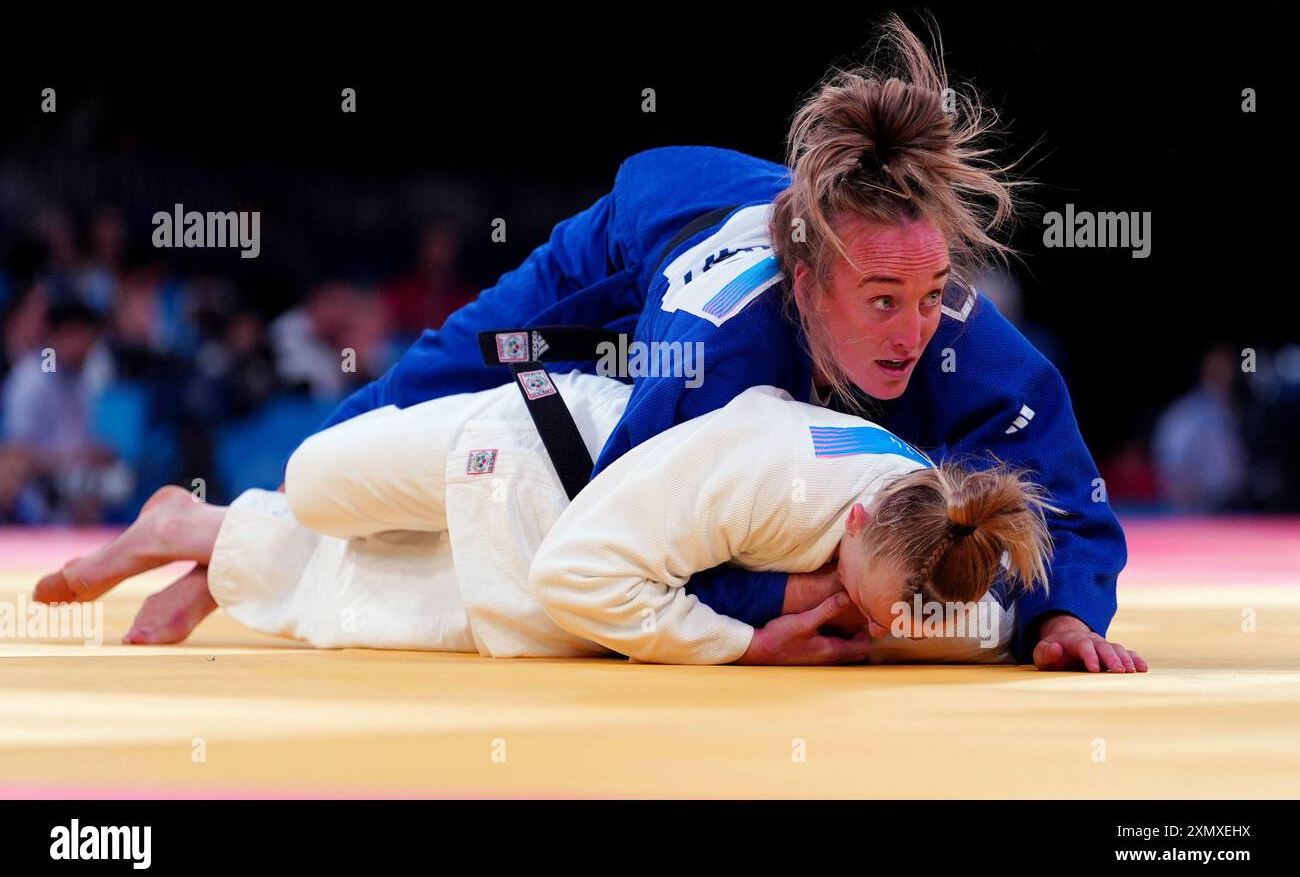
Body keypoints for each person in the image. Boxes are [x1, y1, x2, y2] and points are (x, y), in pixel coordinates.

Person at [247, 14, 1131, 672]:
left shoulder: (951, 328)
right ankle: (263, 513)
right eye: (883, 301)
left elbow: (1067, 495)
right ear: (807, 284)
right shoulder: (711, 350)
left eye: (932, 293)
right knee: (440, 373)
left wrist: (1063, 616)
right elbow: (614, 527)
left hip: (789, 227)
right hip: (644, 229)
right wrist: (768, 608)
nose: (915, 329)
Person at [36, 372, 1127, 669]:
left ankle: (198, 537)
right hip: (529, 454)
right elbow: (576, 574)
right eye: (861, 599)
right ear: (844, 524)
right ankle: (203, 529)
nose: (871, 625)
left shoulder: (930, 521)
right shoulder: (762, 482)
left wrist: (1052, 626)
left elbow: (977, 605)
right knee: (322, 484)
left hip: (574, 487)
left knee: (377, 609)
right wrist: (751, 640)